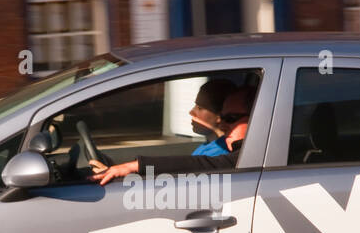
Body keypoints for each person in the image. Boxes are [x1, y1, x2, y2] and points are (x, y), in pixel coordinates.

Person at [92, 88, 252, 184]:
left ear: (258, 117)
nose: (223, 125)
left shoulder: (241, 159)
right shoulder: (239, 154)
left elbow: (203, 165)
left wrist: (133, 167)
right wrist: (126, 170)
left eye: (230, 119)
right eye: (223, 117)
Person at [189, 77, 236, 157]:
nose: (191, 112)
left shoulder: (217, 155)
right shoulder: (208, 146)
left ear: (220, 115)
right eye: (195, 106)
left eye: (200, 108)